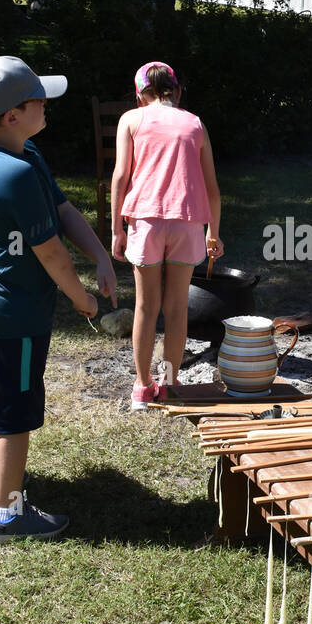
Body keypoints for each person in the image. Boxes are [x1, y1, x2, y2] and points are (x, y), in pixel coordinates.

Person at [0, 56, 117, 542]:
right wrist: (82, 300)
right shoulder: (16, 174)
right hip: (15, 315)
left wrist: (100, 255)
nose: (46, 103)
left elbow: (62, 209)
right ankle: (6, 516)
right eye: (37, 99)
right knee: (15, 415)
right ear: (11, 114)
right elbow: (50, 254)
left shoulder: (17, 153)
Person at [110, 62, 223, 409]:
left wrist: (116, 228)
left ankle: (142, 388)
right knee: (176, 309)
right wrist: (212, 234)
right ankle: (170, 385)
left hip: (146, 220)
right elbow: (213, 190)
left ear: (140, 93)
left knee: (146, 306)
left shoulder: (131, 119)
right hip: (188, 222)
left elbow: (120, 178)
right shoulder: (195, 123)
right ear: (176, 90)